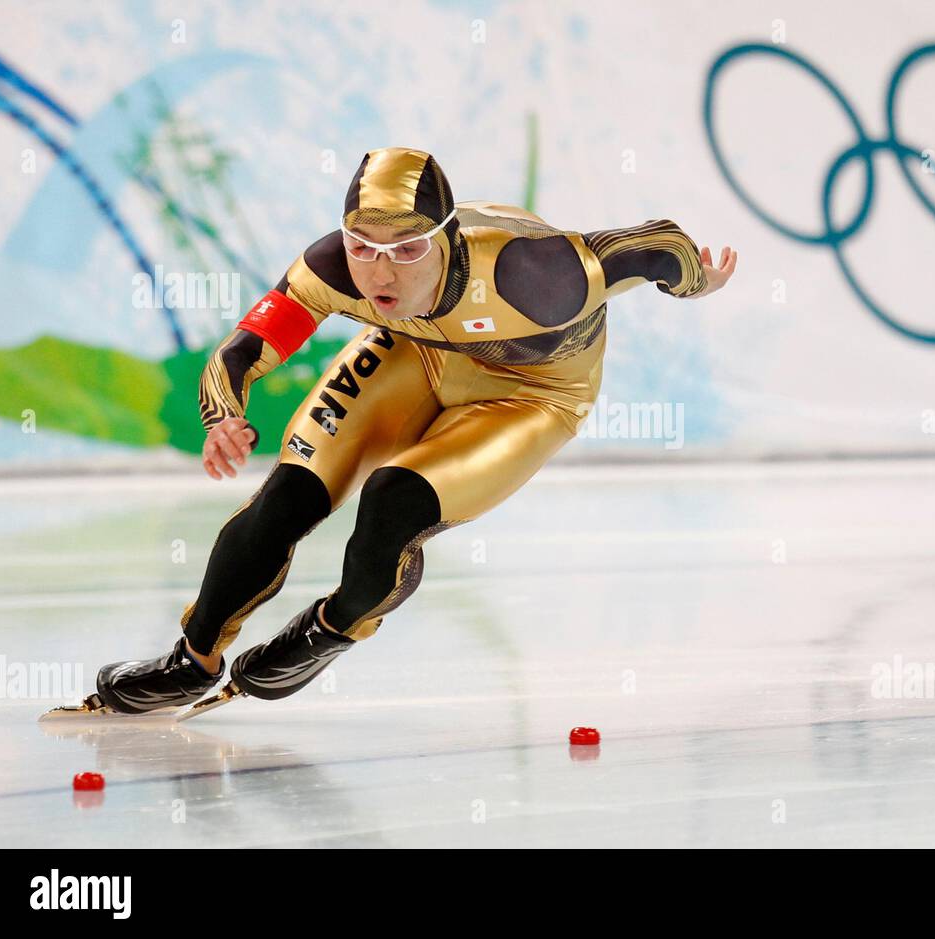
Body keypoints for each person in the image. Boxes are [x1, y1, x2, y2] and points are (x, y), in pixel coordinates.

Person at [53, 147, 736, 718]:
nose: (380, 271)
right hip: (417, 352)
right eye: (363, 246)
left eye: (408, 249)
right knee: (285, 497)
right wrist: (223, 413)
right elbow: (243, 348)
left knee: (392, 500)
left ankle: (333, 626)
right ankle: (190, 659)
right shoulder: (331, 268)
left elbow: (652, 245)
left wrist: (696, 279)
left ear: (446, 241)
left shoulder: (534, 277)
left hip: (531, 392)